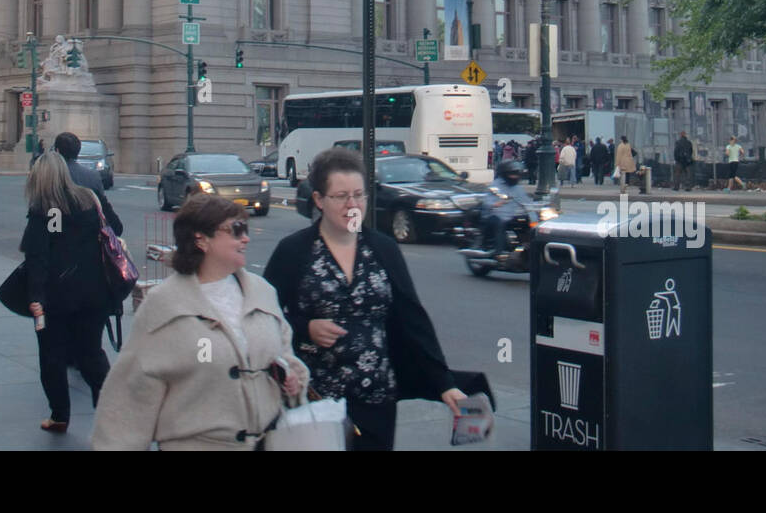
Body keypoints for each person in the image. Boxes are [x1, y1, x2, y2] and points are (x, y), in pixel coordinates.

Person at [264, 147, 469, 452]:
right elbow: (264, 316)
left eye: (360, 195)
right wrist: (305, 327)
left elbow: (412, 318)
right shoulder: (294, 251)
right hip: (314, 401)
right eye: (342, 196)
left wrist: (445, 383)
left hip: (376, 398)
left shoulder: (382, 248)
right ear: (319, 200)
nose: (353, 205)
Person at [92, 193, 305, 450]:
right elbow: (130, 398)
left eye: (246, 229)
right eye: (236, 230)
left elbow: (285, 356)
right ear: (201, 239)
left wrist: (292, 379)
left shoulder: (262, 292)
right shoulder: (164, 304)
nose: (246, 238)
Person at [22, 151, 123, 434]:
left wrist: (36, 298)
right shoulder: (91, 198)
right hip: (95, 291)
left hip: (56, 297)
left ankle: (60, 416)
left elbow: (37, 260)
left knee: (52, 357)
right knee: (91, 352)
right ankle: (110, 412)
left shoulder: (42, 211)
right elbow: (116, 227)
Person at [482, 159, 532, 254]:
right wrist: (496, 204)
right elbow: (488, 201)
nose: (515, 176)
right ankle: (499, 251)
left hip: (512, 215)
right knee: (499, 224)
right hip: (495, 215)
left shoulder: (517, 188)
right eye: (513, 174)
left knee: (528, 224)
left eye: (517, 174)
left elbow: (526, 201)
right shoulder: (495, 186)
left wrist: (538, 206)